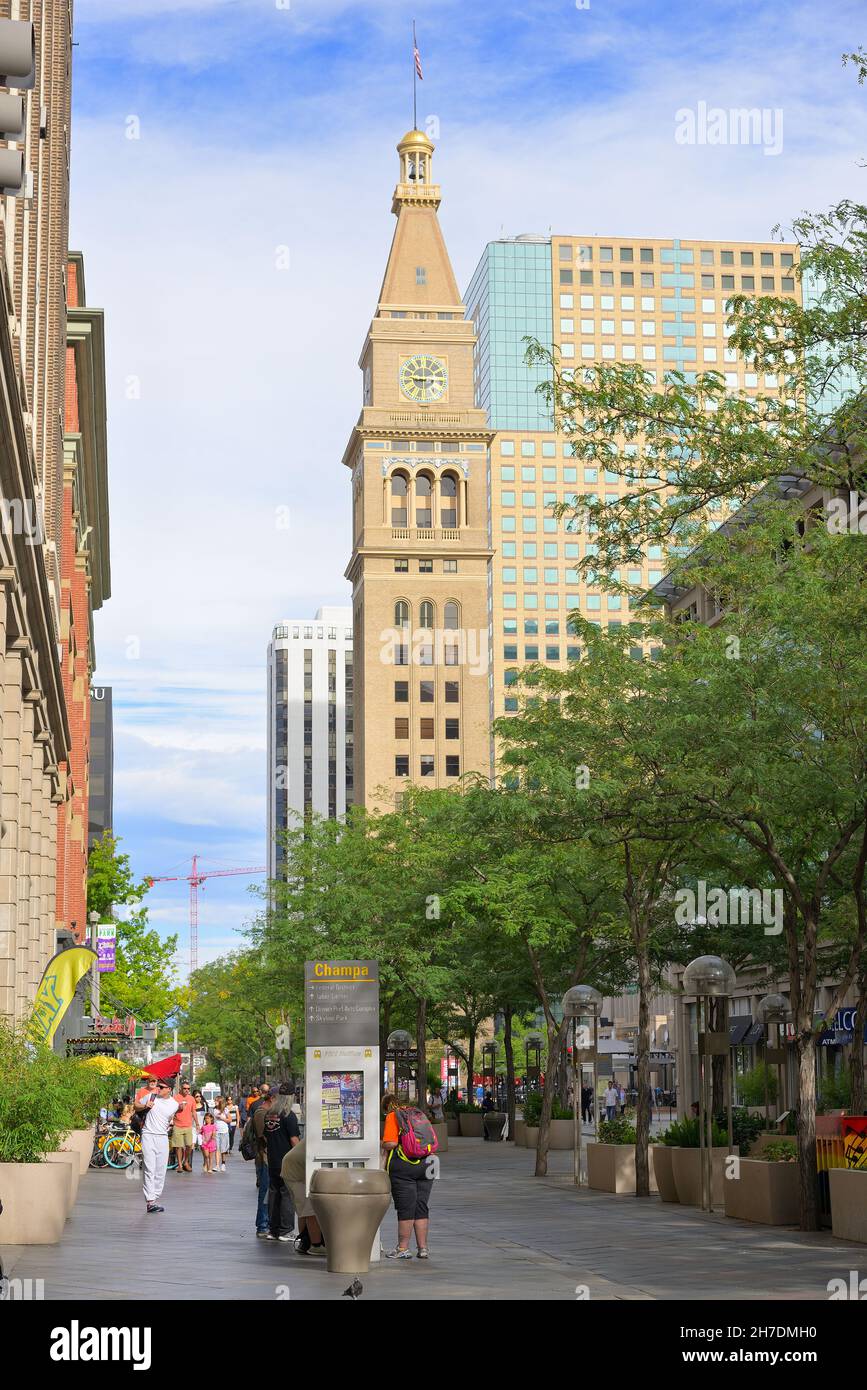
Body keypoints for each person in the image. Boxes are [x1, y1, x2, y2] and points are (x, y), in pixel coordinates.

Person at [381, 1093, 434, 1261]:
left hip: (404, 1167)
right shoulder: (417, 1113)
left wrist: (381, 1143)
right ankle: (423, 1248)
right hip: (427, 1164)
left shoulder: (392, 1116)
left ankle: (402, 1248)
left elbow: (391, 1143)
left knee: (406, 1207)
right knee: (421, 1206)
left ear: (387, 1106)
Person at [135, 1077, 179, 1214]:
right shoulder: (151, 1096)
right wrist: (144, 1105)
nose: (158, 1088)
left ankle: (155, 1196)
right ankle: (150, 1201)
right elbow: (135, 1106)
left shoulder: (174, 1105)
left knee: (160, 1170)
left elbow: (170, 1119)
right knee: (149, 1168)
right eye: (158, 1086)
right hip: (148, 1135)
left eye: (162, 1087)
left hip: (162, 1138)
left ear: (169, 1090)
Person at [262, 1084, 300, 1241]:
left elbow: (265, 1137)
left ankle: (273, 1229)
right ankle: (286, 1230)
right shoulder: (289, 1116)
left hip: (272, 1158)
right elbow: (294, 1140)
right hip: (287, 1159)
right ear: (290, 1098)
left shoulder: (269, 1115)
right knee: (286, 1194)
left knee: (274, 1193)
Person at [280, 1138, 324, 1255]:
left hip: (292, 1169)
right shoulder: (325, 1140)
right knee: (310, 1210)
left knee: (303, 1209)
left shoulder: (318, 1134)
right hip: (296, 1173)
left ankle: (305, 1242)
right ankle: (315, 1245)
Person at [171, 1080, 199, 1173]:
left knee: (189, 1145)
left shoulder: (191, 1099)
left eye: (188, 1089)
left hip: (188, 1125)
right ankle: (179, 1165)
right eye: (185, 1088)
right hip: (178, 1125)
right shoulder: (175, 1098)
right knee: (178, 1147)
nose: (186, 1090)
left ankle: (185, 1162)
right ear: (180, 1089)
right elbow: (170, 1111)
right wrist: (178, 1108)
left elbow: (194, 1112)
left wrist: (197, 1124)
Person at [213, 1098, 230, 1171]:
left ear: (220, 1102)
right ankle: (217, 1165)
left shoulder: (225, 1110)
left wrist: (222, 1118)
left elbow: (229, 1120)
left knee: (223, 1149)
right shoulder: (214, 1110)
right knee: (217, 1148)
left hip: (224, 1131)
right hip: (216, 1131)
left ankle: (223, 1164)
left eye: (216, 1101)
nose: (215, 1102)